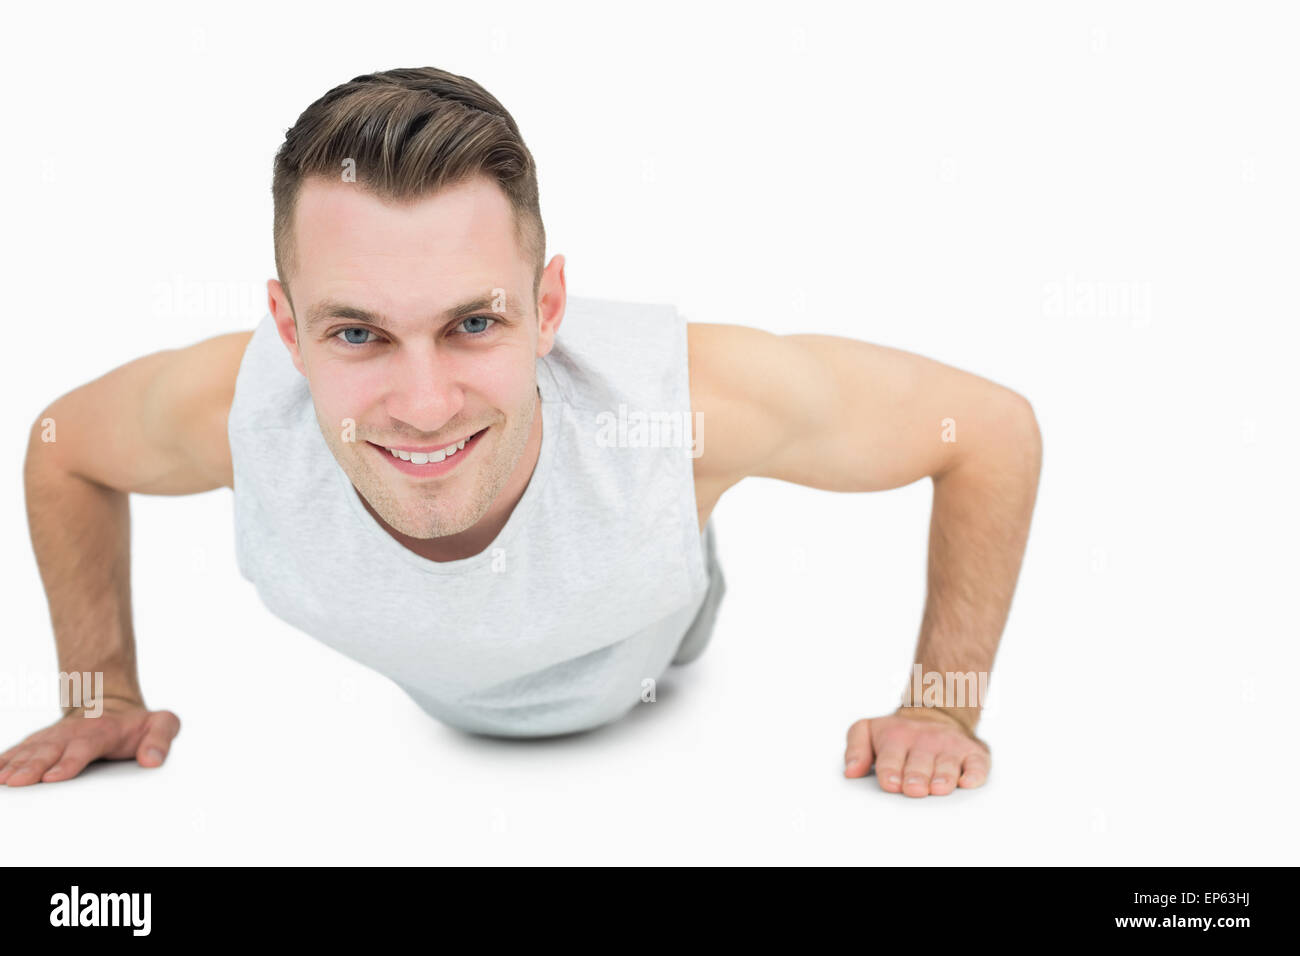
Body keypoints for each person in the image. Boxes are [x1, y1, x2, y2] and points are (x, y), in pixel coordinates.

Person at [5, 66, 1041, 797]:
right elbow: (62, 448)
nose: (421, 402)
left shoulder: (683, 408)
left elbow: (988, 430)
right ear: (287, 330)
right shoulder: (230, 411)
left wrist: (941, 709)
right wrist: (100, 690)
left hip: (649, 644)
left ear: (548, 309)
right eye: (358, 331)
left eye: (472, 322)